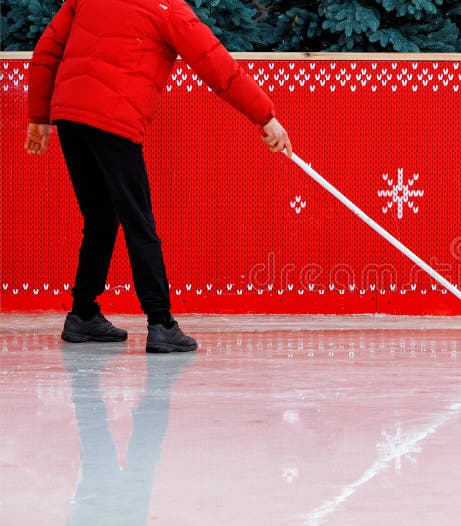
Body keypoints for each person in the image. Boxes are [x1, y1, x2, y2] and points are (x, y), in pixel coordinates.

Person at [25, 0, 291, 353]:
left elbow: (46, 51)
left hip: (70, 117)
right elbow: (217, 66)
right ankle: (161, 322)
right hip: (112, 121)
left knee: (102, 219)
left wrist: (39, 118)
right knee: (139, 223)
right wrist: (265, 116)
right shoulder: (167, 8)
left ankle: (83, 314)